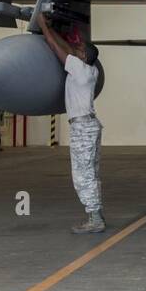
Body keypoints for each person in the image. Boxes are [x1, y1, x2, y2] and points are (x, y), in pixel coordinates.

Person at [37, 12, 104, 234]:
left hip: (82, 127)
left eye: (79, 48)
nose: (75, 48)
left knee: (82, 174)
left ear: (83, 56)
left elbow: (58, 50)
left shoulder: (80, 70)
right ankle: (96, 215)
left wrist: (44, 28)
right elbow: (67, 49)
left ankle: (94, 219)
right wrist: (52, 28)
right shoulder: (89, 69)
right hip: (89, 125)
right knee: (90, 173)